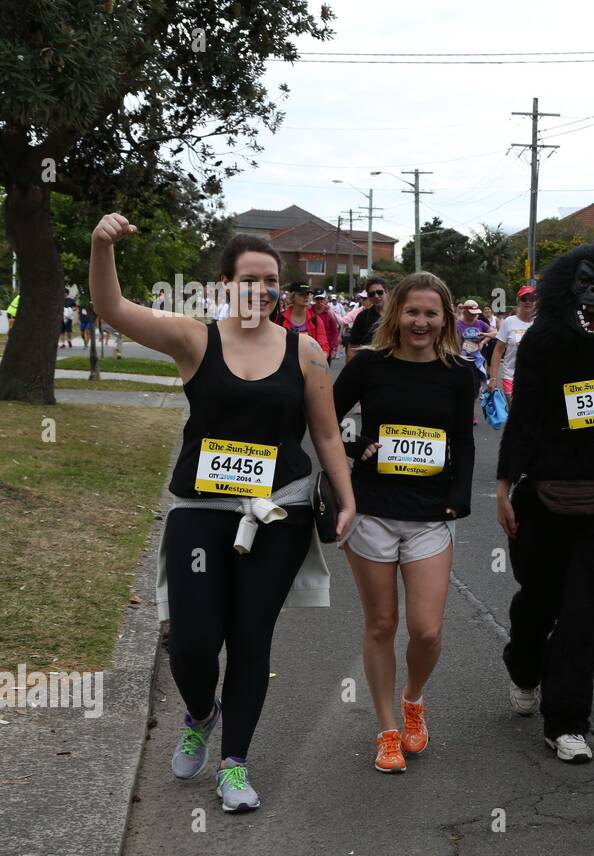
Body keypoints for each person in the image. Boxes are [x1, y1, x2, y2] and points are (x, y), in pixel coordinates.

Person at [89, 214, 355, 812]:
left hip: (278, 514)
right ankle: (201, 713)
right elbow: (112, 308)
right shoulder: (195, 338)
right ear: (224, 285)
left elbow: (328, 435)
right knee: (192, 641)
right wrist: (101, 246)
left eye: (271, 281)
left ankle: (235, 763)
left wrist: (347, 498)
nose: (261, 290)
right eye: (249, 279)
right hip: (200, 513)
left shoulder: (305, 350)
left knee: (251, 638)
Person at [333, 272, 476, 774]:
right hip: (372, 510)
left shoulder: (460, 372)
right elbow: (326, 419)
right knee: (380, 624)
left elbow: (464, 438)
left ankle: (414, 699)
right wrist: (357, 447)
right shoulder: (370, 365)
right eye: (412, 312)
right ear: (396, 315)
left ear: (445, 319)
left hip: (430, 516)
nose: (420, 321)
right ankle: (387, 728)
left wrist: (460, 497)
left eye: (430, 313)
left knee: (427, 630)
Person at [496, 245, 594, 763]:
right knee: (539, 602)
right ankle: (523, 666)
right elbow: (522, 418)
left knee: (582, 614)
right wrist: (504, 488)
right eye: (586, 282)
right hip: (543, 498)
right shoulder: (543, 341)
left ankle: (567, 721)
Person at [488, 284, 536, 409]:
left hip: (535, 376)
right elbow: (498, 351)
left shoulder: (540, 322)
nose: (528, 302)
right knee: (516, 413)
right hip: (511, 375)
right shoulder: (509, 322)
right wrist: (493, 378)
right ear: (518, 301)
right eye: (524, 299)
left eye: (531, 298)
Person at [346, 278, 387, 361]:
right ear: (369, 297)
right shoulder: (362, 317)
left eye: (379, 292)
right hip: (369, 366)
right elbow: (353, 347)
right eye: (372, 294)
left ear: (386, 292)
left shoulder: (398, 314)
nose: (376, 296)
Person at [313, 291, 339, 363]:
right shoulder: (309, 311)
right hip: (312, 346)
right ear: (314, 299)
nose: (319, 301)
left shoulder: (330, 313)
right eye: (318, 298)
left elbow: (335, 331)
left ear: (325, 299)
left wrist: (334, 348)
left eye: (321, 298)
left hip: (327, 347)